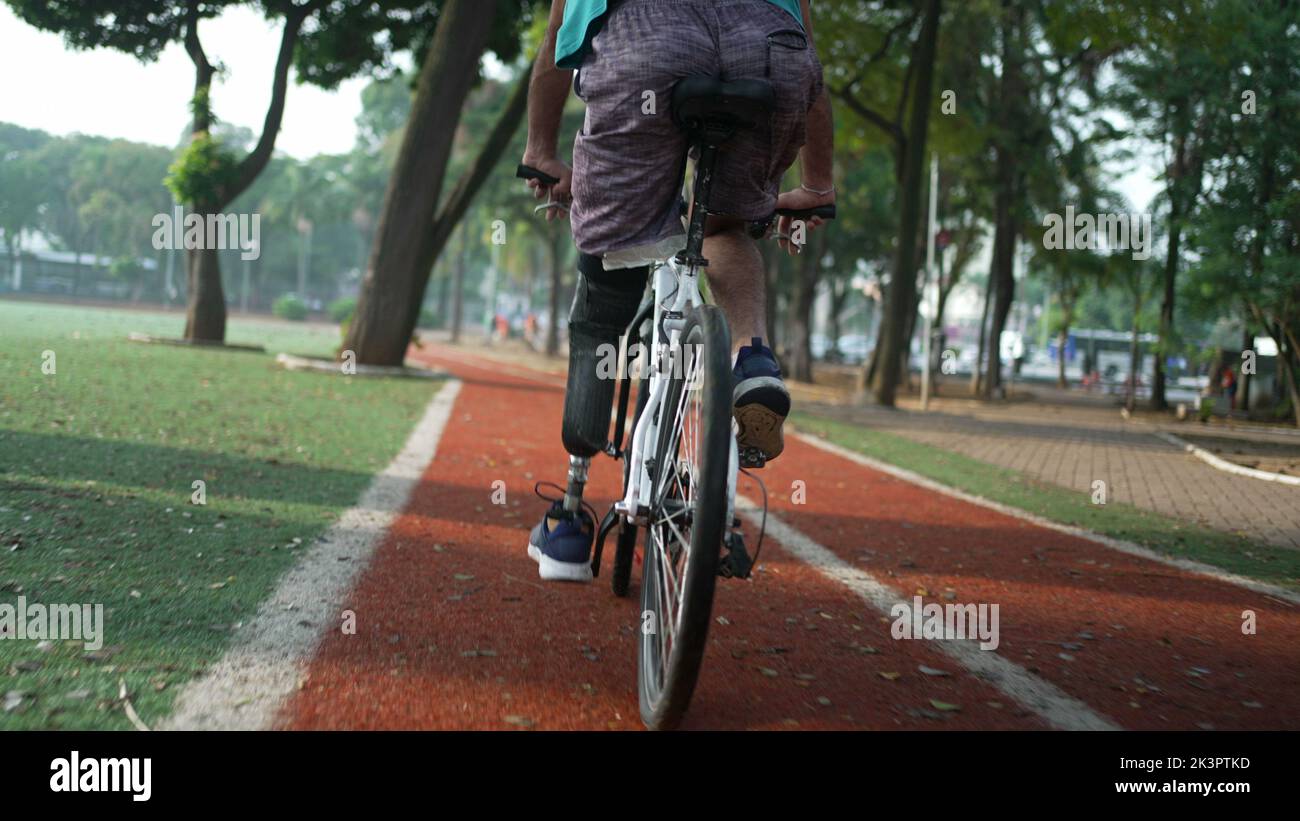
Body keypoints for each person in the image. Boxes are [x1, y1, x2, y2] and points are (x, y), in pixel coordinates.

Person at [521, 0, 835, 582]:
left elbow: (558, 44)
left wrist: (541, 153)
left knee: (608, 253)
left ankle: (569, 520)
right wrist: (817, 185)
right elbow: (807, 59)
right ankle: (753, 355)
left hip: (648, 48)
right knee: (722, 225)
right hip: (766, 57)